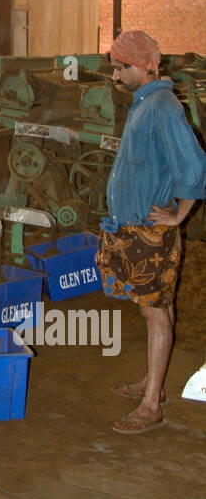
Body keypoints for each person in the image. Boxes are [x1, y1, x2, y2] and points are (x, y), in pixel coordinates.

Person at [96, 30, 206, 436]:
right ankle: (151, 383)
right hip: (134, 229)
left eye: (119, 68)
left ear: (140, 66)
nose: (114, 76)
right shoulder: (145, 104)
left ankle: (151, 404)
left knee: (154, 312)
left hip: (149, 231)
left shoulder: (162, 106)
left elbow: (194, 167)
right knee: (159, 305)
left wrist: (179, 215)